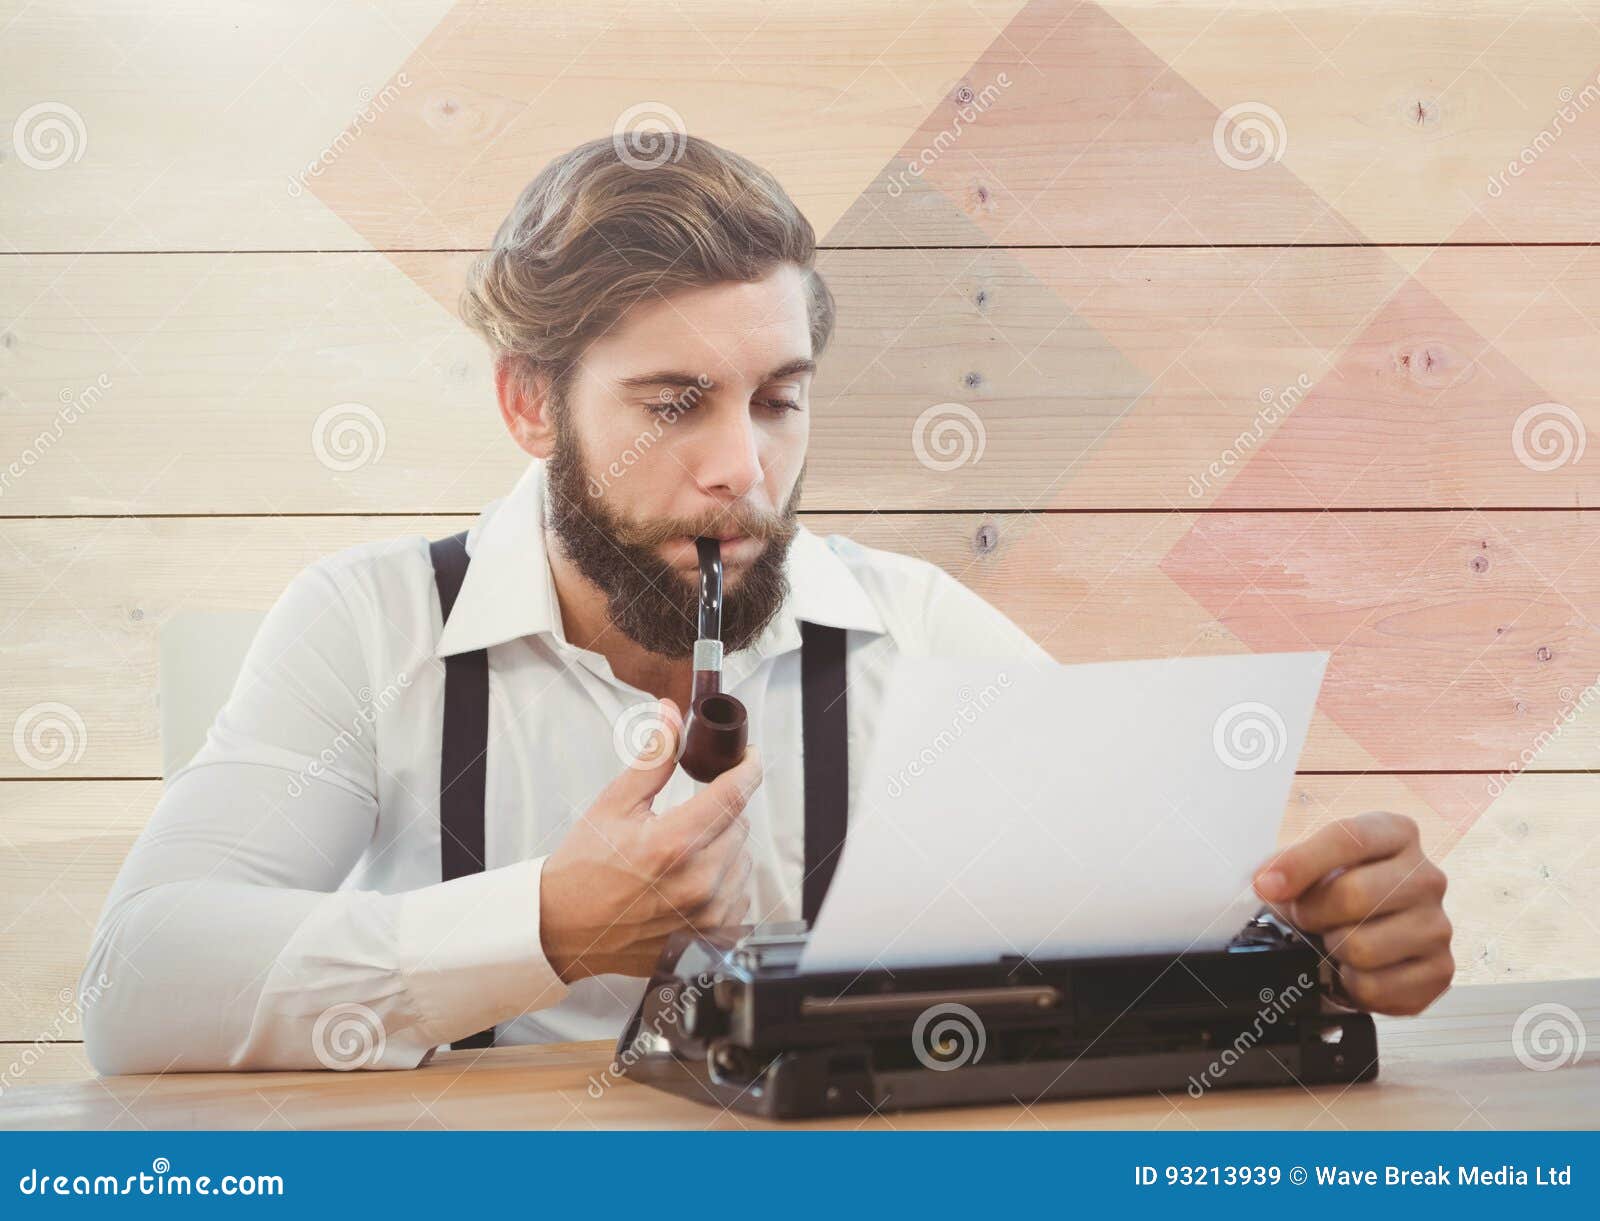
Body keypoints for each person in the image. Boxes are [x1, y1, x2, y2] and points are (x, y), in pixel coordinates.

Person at [81, 134, 1453, 1074]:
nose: (744, 466)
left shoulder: (914, 627)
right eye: (673, 403)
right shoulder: (368, 625)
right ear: (525, 402)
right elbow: (139, 985)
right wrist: (544, 927)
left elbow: (1172, 920)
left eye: (779, 401)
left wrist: (1329, 946)